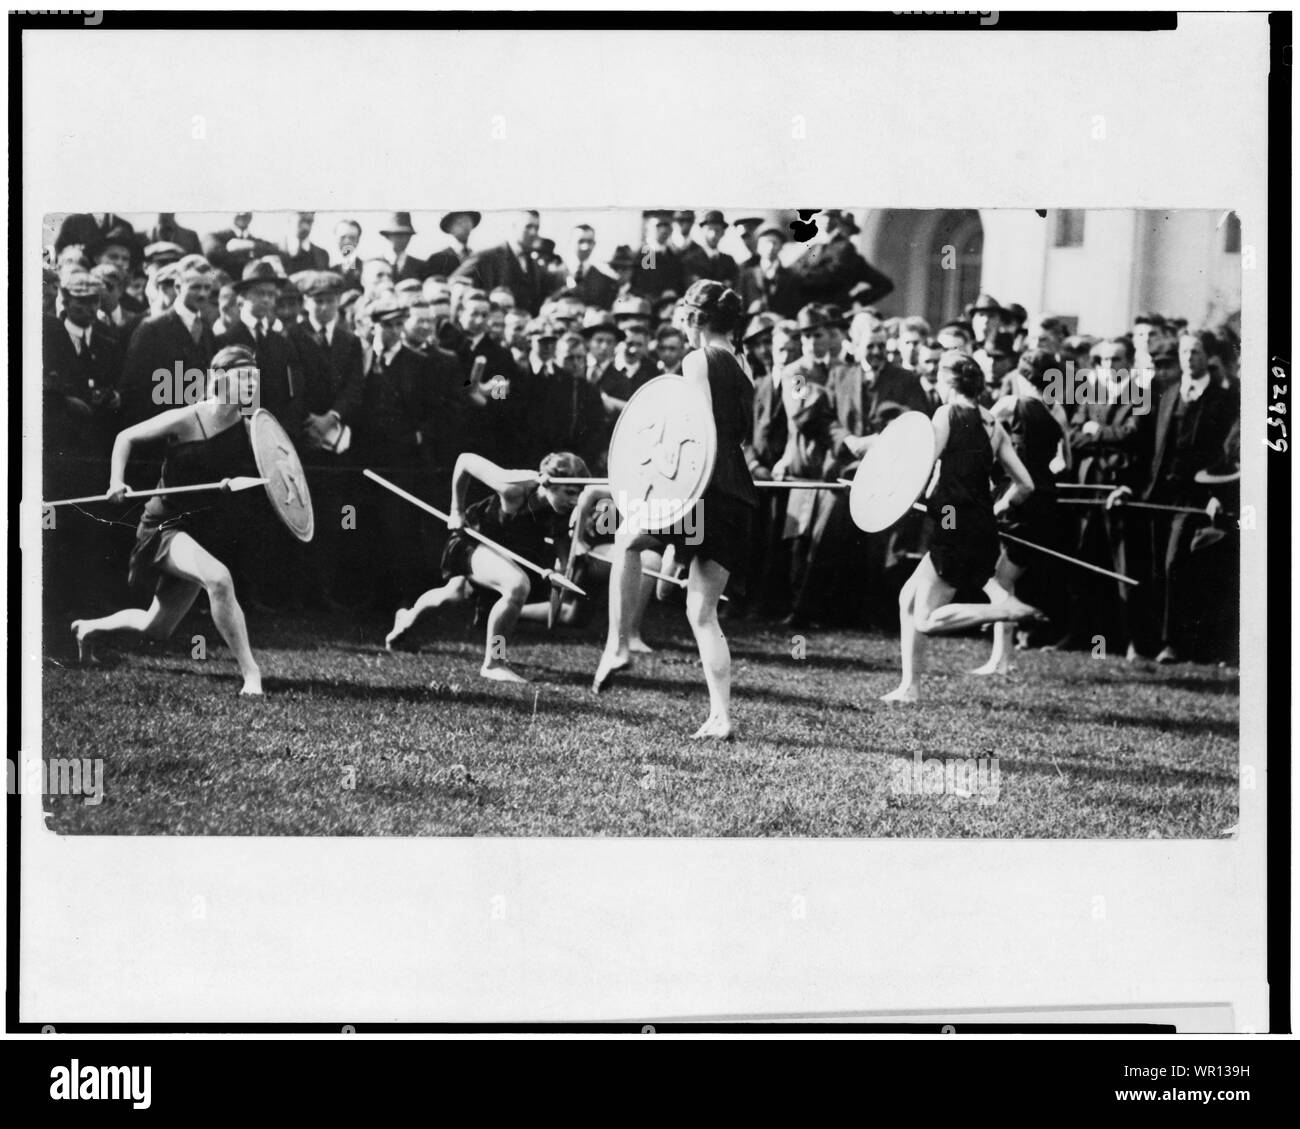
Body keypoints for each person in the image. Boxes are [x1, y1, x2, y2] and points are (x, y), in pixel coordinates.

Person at [593, 280, 757, 740]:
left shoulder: (698, 360)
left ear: (695, 319)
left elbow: (695, 434)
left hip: (705, 490)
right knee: (701, 611)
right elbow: (740, 437)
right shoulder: (744, 363)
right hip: (738, 496)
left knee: (626, 540)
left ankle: (618, 645)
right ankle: (721, 716)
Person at [69, 345, 267, 695]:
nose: (252, 384)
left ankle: (89, 628)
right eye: (243, 376)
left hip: (200, 530)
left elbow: (271, 472)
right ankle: (251, 673)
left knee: (155, 627)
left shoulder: (250, 427)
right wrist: (116, 481)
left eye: (255, 377)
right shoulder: (189, 417)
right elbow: (124, 437)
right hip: (164, 525)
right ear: (220, 379)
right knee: (219, 580)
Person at [882, 351, 1045, 704]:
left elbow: (926, 459)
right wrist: (998, 506)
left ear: (946, 383)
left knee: (925, 618)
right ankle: (910, 688)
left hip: (952, 526)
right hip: (978, 526)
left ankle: (1006, 610)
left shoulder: (946, 413)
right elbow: (1026, 484)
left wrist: (894, 491)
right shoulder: (992, 423)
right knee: (907, 598)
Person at [385, 451, 589, 683]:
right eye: (569, 492)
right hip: (472, 539)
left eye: (579, 493)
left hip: (500, 552)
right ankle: (494, 663)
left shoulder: (563, 510)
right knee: (517, 585)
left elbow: (563, 552)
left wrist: (559, 573)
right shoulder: (515, 487)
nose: (574, 500)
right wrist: (456, 511)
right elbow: (464, 460)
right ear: (548, 482)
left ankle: (406, 619)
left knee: (453, 594)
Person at [974, 348, 1069, 675]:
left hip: (1015, 500)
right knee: (1005, 579)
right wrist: (1041, 472)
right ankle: (1003, 659)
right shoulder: (1058, 412)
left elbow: (980, 440)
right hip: (1044, 500)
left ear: (1021, 375)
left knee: (996, 579)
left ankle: (1005, 653)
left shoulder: (1009, 405)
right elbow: (1064, 462)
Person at [452, 210, 548, 315]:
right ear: (514, 226)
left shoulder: (534, 264)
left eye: (536, 228)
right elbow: (454, 282)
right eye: (528, 227)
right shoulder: (487, 257)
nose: (533, 232)